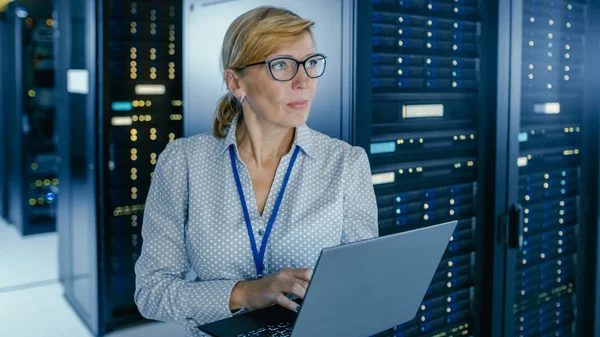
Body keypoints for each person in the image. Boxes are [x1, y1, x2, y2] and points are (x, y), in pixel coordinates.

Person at [134, 6, 378, 337]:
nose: (303, 82)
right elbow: (152, 293)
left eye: (311, 63)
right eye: (282, 65)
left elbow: (363, 284)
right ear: (236, 82)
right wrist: (246, 293)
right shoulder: (183, 163)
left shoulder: (346, 163)